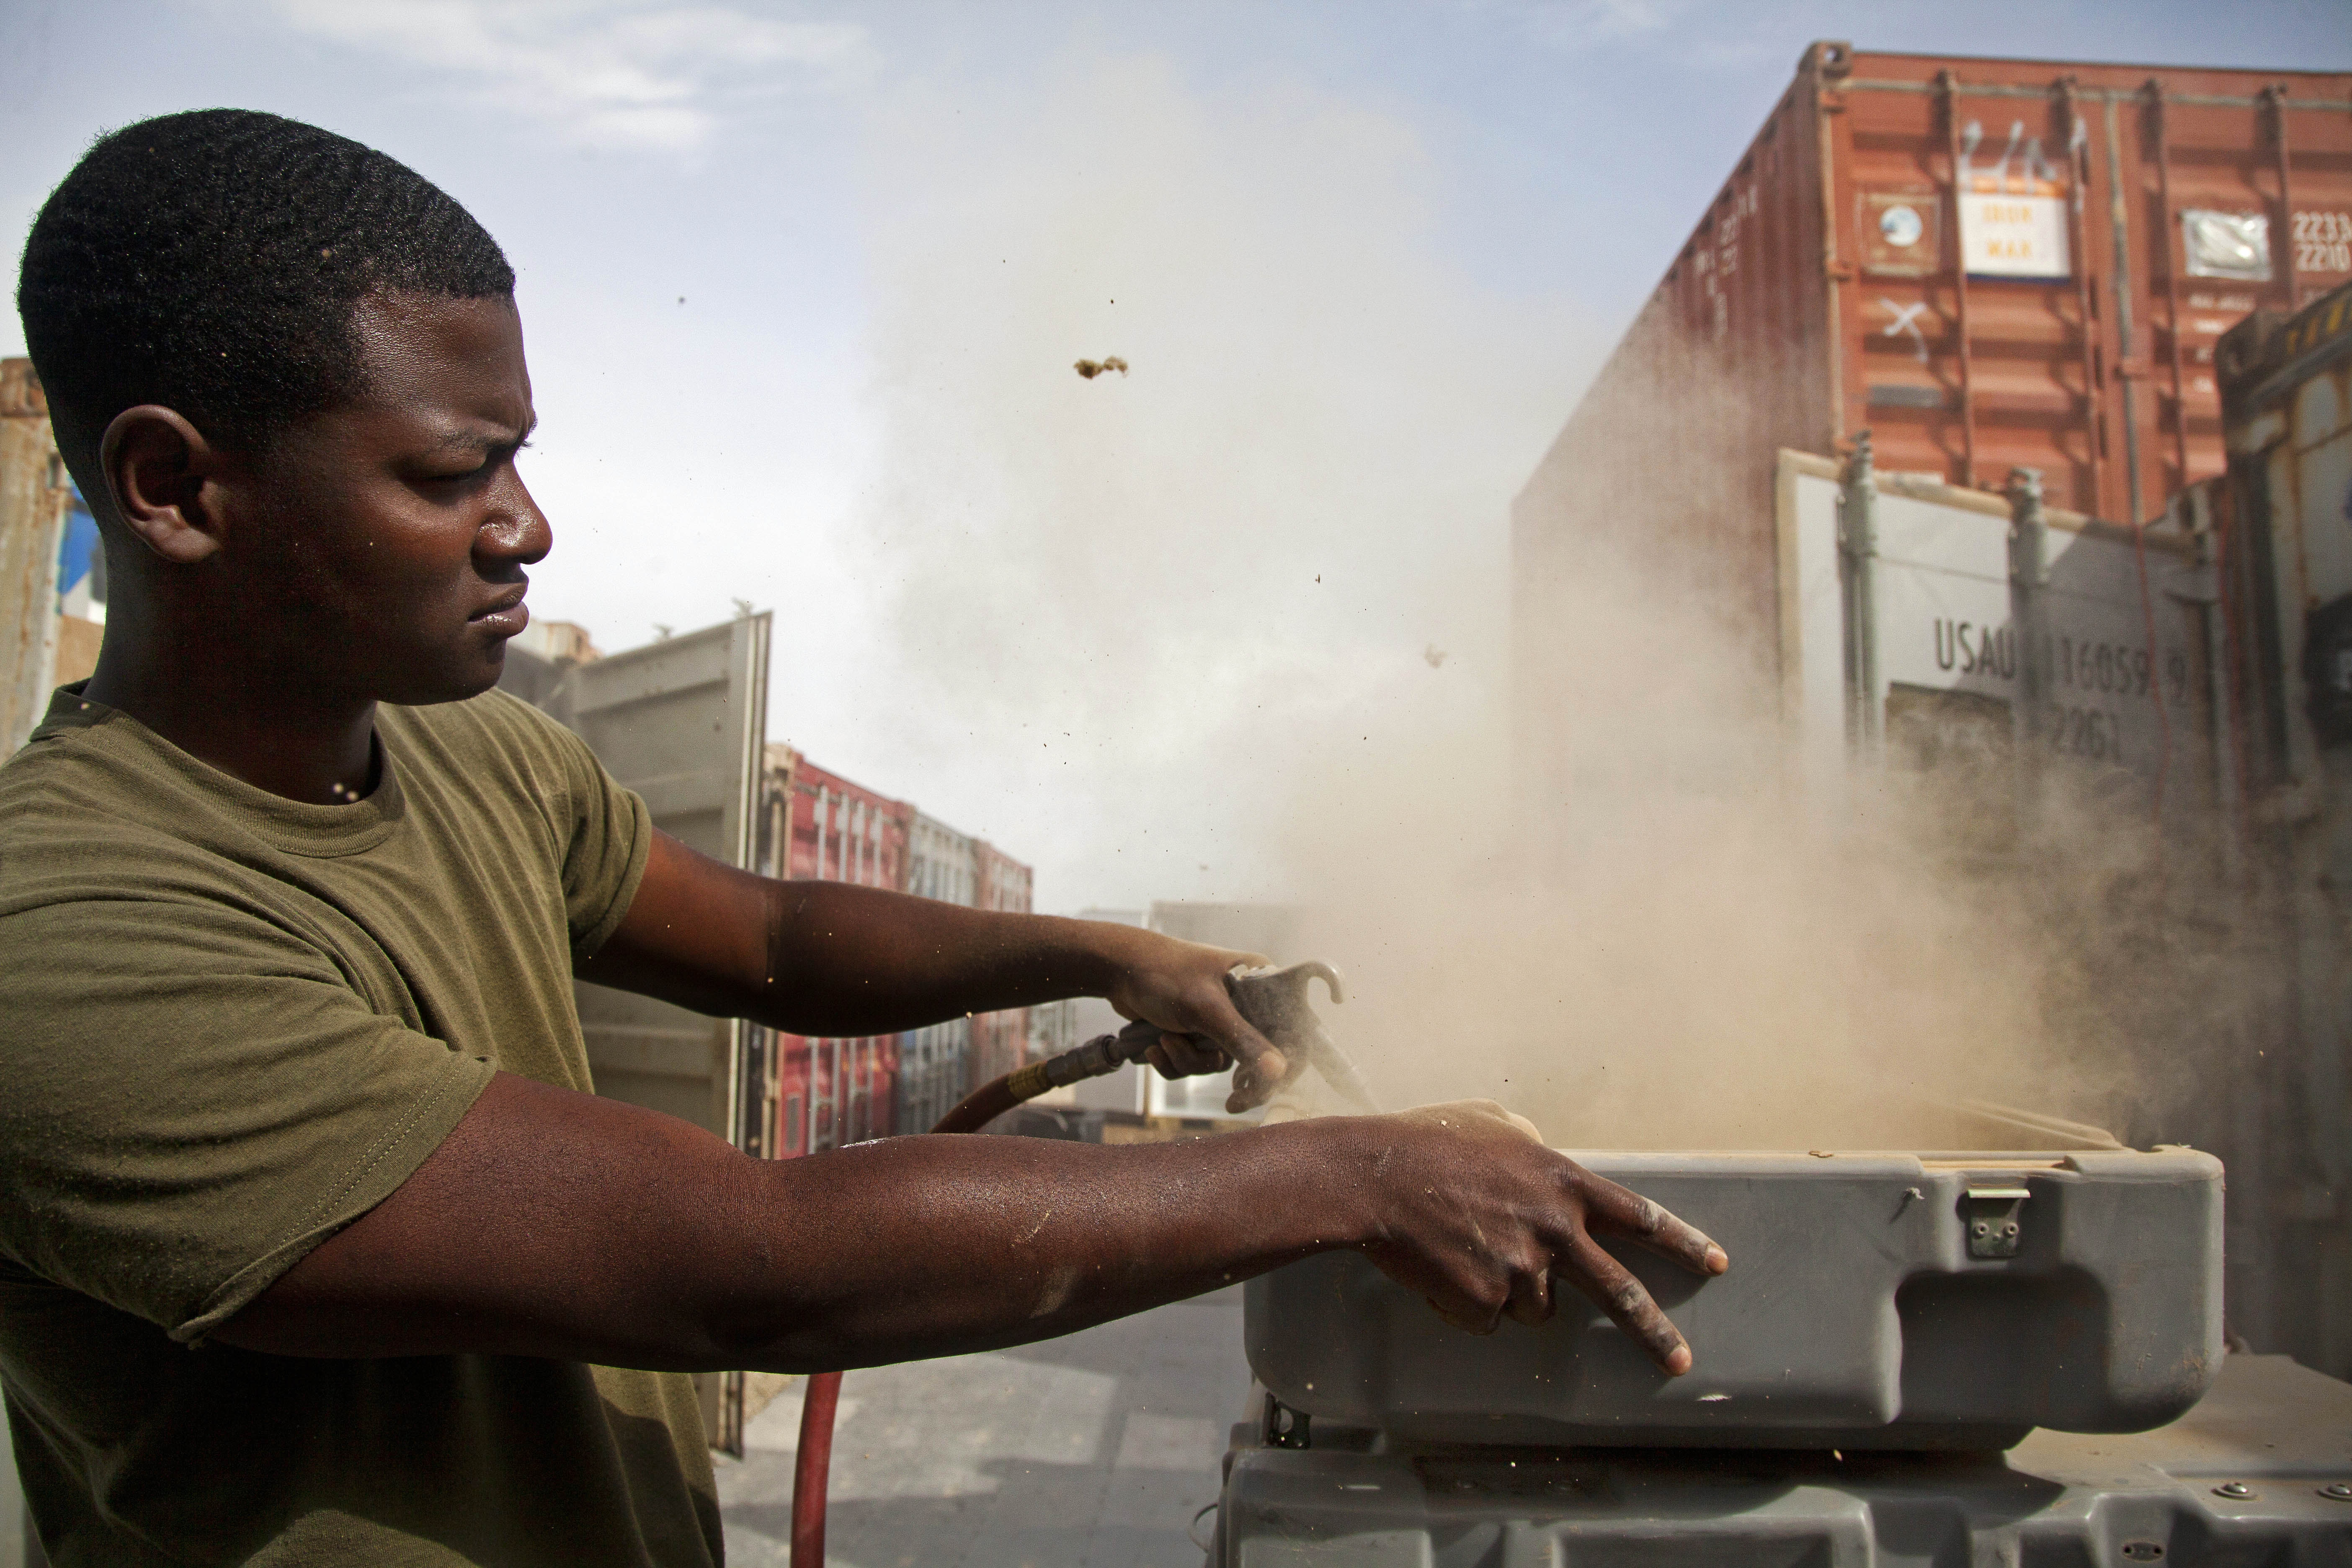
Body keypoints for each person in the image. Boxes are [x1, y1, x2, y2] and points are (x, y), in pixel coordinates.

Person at [0, 110, 1726, 1567]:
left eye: (519, 461)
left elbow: (767, 942)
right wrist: (1358, 1173)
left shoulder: (478, 766)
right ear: (175, 488)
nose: (528, 528)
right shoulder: (63, 941)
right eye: (453, 473)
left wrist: (1096, 952)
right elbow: (752, 1270)